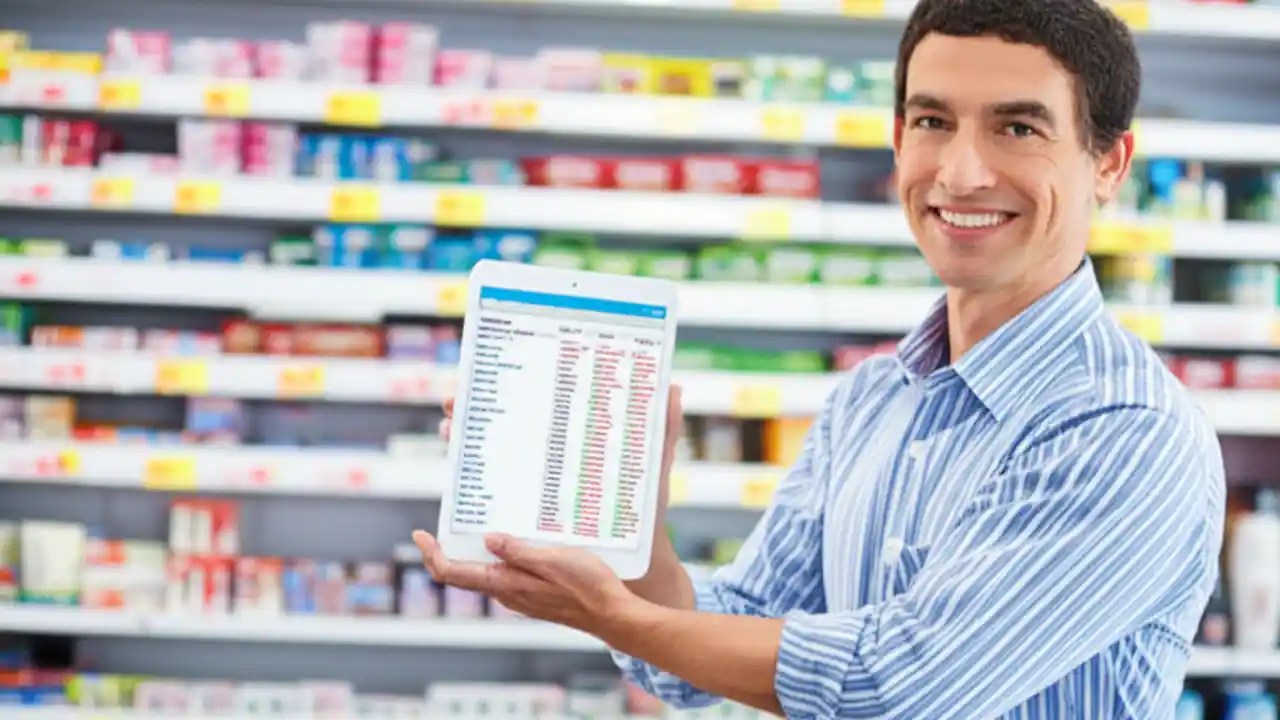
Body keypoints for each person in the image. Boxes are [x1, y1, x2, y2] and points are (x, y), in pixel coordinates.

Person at [413, 0, 1227, 716]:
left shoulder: (1128, 431)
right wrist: (628, 539)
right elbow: (729, 631)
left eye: (1018, 127)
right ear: (898, 137)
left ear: (1109, 164)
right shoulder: (877, 396)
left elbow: (900, 688)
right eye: (932, 121)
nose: (961, 171)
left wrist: (613, 615)